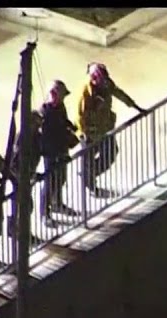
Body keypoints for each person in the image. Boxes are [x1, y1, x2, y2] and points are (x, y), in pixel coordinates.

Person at [76, 63, 146, 197]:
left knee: (111, 153)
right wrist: (83, 132)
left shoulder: (107, 84)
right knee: (88, 158)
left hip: (105, 127)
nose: (104, 83)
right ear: (93, 79)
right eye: (101, 80)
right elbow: (79, 115)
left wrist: (136, 107)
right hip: (90, 132)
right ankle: (90, 184)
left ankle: (88, 174)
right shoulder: (86, 92)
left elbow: (119, 94)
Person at [38, 79, 80, 219]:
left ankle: (58, 203)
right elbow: (44, 136)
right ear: (54, 94)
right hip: (50, 152)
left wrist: (74, 129)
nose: (63, 98)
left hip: (62, 148)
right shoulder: (44, 112)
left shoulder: (61, 107)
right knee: (50, 181)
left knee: (61, 178)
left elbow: (64, 121)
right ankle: (45, 212)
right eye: (61, 94)